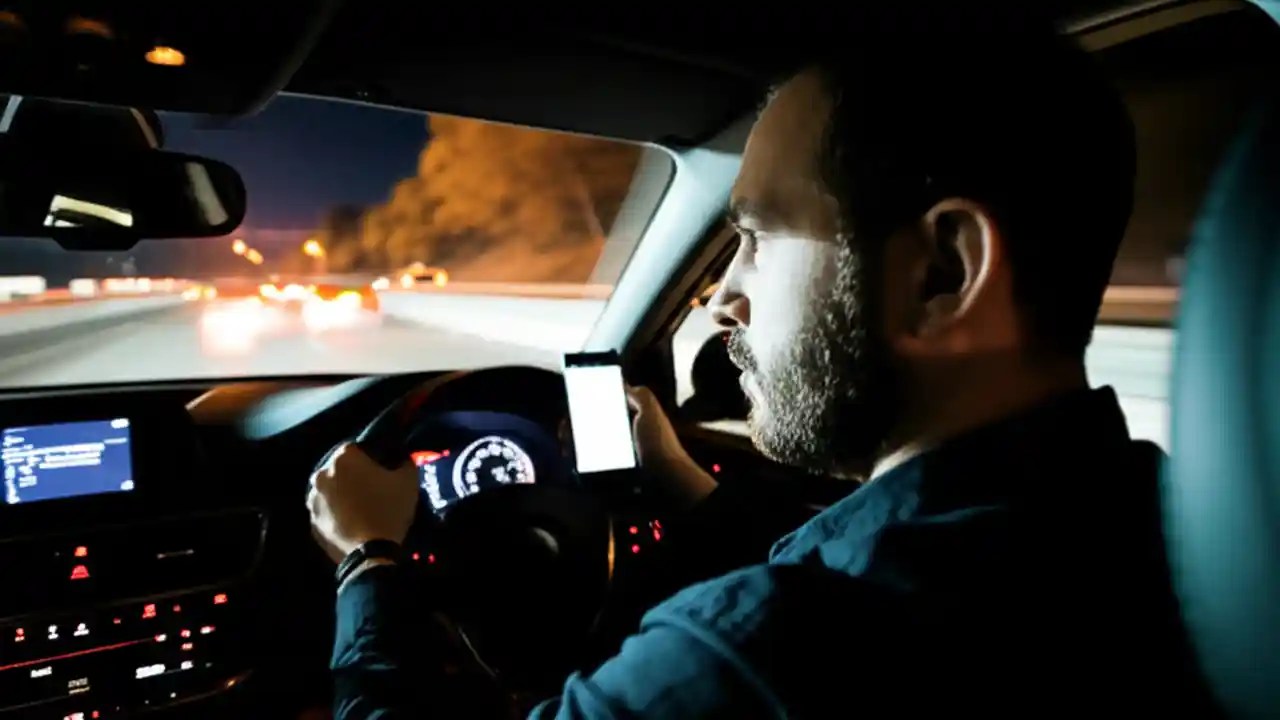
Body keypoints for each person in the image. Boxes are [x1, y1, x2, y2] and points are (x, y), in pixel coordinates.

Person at [307, 4, 1215, 716]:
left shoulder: (767, 654)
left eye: (755, 238)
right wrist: (682, 487)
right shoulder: (1180, 533)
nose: (721, 296)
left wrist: (370, 563)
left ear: (944, 271)